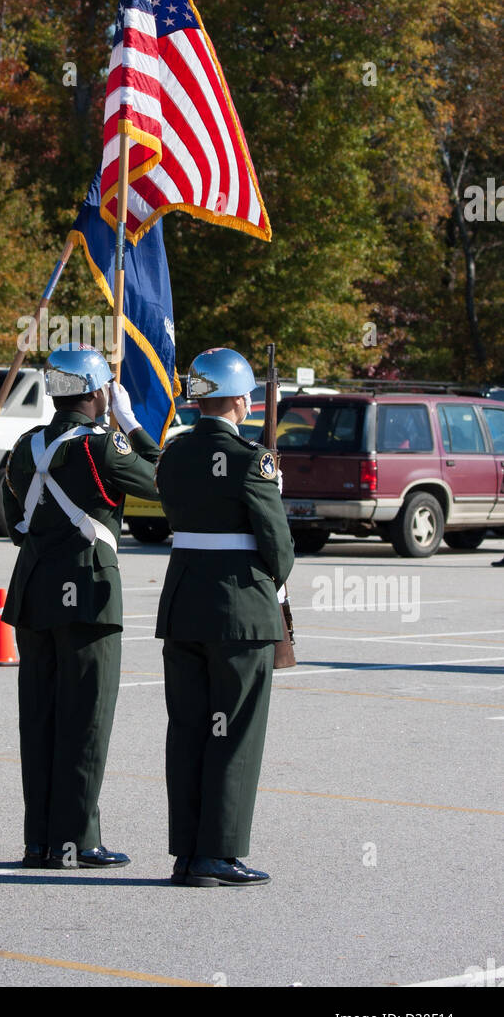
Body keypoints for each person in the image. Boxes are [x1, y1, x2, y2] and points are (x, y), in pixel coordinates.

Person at [2, 346, 160, 869]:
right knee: (86, 719)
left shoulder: (26, 445)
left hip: (33, 592)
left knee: (40, 719)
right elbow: (165, 485)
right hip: (88, 592)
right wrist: (133, 425)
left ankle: (38, 840)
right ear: (96, 393)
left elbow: (13, 520)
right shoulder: (104, 446)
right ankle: (76, 840)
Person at [155, 347, 294, 887]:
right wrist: (270, 492)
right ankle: (218, 853)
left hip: (185, 603)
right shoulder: (252, 459)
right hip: (239, 610)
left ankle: (188, 853)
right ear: (240, 399)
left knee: (188, 730)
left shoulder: (174, 455)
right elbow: (277, 550)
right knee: (233, 732)